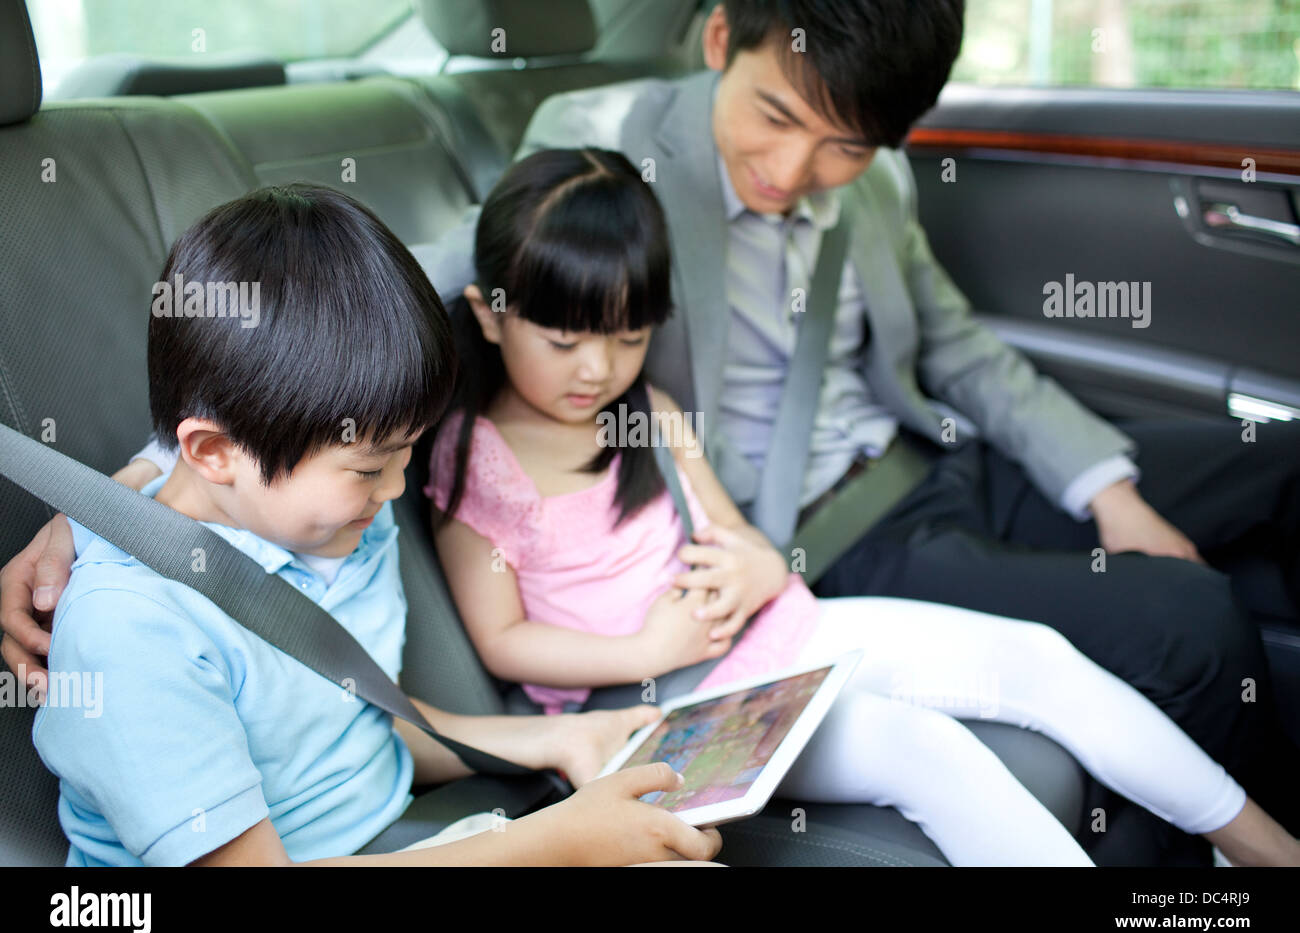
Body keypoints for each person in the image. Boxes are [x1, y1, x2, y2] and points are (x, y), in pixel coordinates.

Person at [426, 145, 1299, 866]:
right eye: (564, 340)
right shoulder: (478, 463)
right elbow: (501, 641)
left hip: (778, 636)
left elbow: (727, 525)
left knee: (1039, 658)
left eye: (627, 336)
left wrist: (760, 561)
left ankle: (1259, 845)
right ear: (491, 315)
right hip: (663, 711)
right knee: (929, 753)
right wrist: (644, 648)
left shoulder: (647, 410)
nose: (596, 369)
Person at [29, 182, 721, 867]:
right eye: (368, 468)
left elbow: (353, 723)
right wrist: (561, 842)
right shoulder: (131, 630)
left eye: (408, 453)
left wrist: (553, 739)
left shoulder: (332, 526)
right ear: (215, 452)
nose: (394, 489)